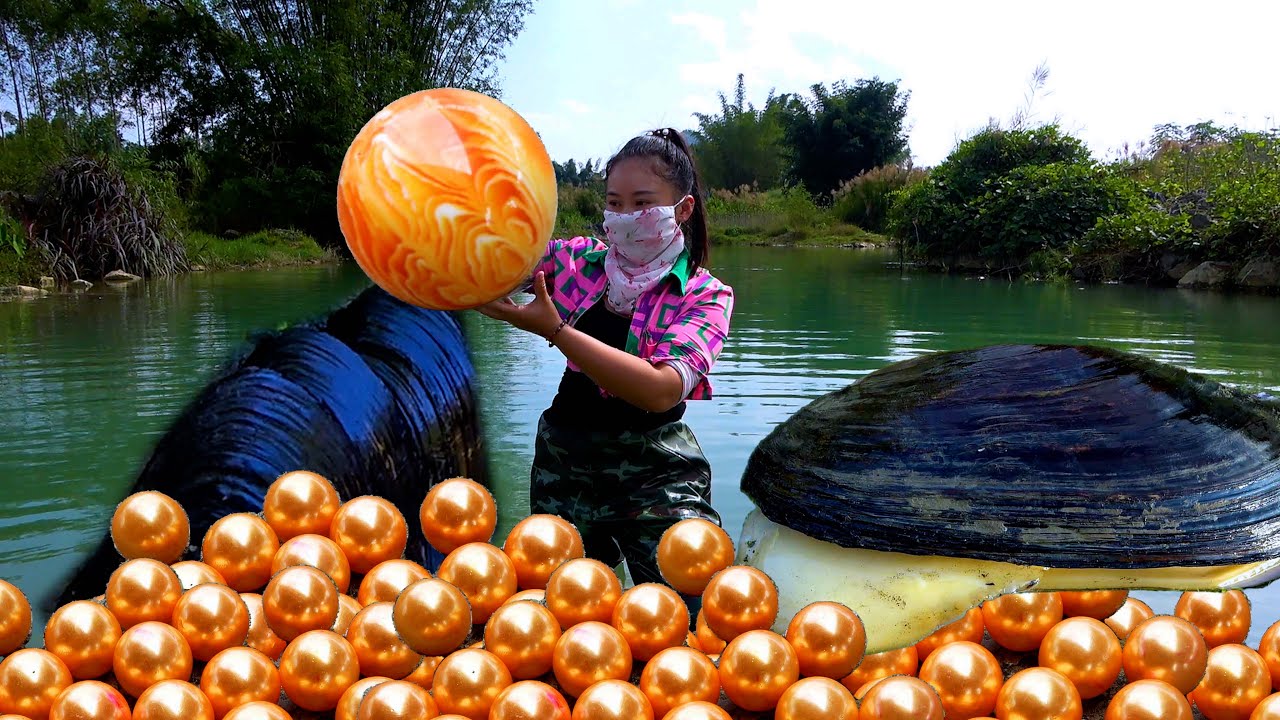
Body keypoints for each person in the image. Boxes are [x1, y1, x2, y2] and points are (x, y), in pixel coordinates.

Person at [476, 127, 734, 592]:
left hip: (656, 471)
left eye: (641, 202)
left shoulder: (705, 295)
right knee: (559, 611)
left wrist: (556, 331)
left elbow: (660, 390)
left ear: (684, 209)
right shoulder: (575, 262)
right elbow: (490, 264)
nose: (625, 216)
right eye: (614, 203)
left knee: (691, 608)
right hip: (566, 461)